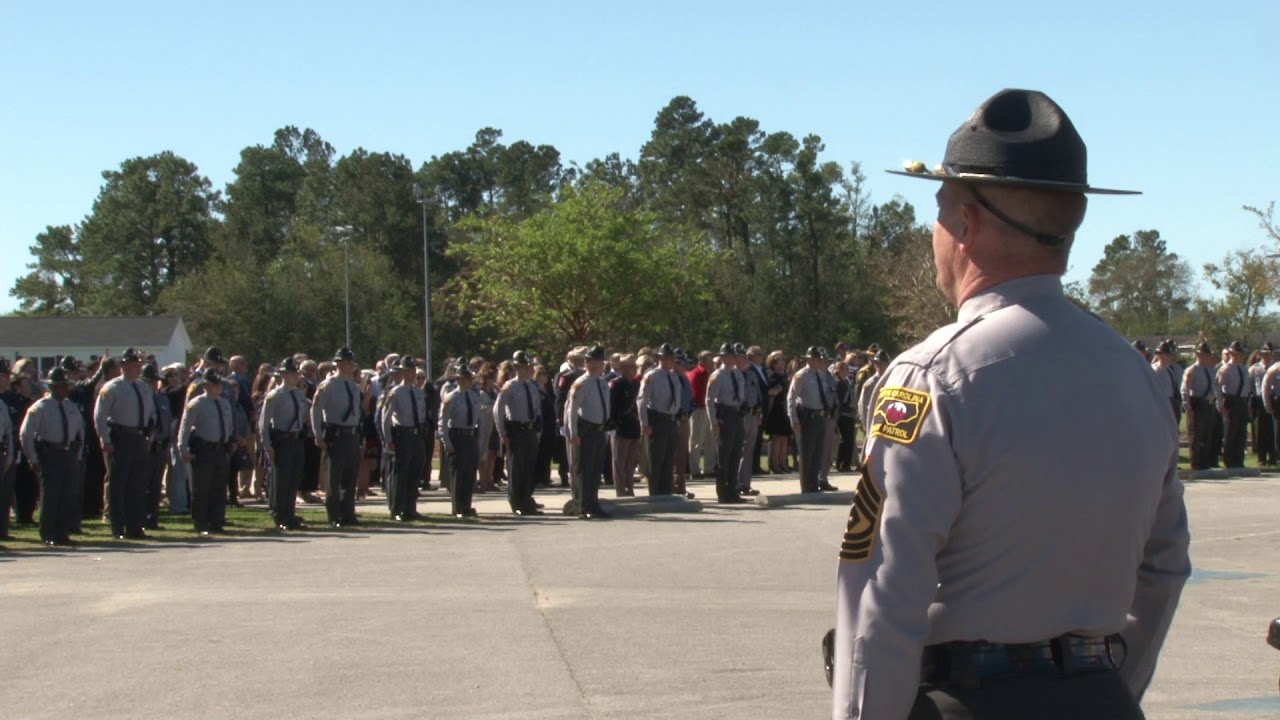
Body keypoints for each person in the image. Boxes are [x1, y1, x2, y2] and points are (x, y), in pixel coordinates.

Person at [831, 88, 1190, 719]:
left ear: (966, 224)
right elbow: (1163, 569)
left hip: (972, 700)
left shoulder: (930, 375)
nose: (935, 231)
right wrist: (1105, 685)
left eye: (940, 210)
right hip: (1102, 697)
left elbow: (881, 590)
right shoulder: (1136, 373)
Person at [94, 348, 158, 539]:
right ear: (123, 366)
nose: (137, 369)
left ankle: (136, 526)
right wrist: (105, 439)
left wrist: (149, 435)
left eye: (139, 365)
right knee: (118, 484)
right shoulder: (111, 388)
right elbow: (100, 416)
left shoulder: (144, 387)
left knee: (138, 485)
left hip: (139, 438)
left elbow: (152, 413)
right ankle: (118, 526)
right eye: (133, 365)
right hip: (120, 438)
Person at [21, 367, 85, 546]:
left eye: (67, 385)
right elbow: (26, 434)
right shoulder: (40, 407)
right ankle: (48, 532)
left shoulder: (70, 406)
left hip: (69, 453)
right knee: (51, 495)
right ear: (53, 387)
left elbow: (80, 430)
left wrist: (77, 454)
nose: (66, 389)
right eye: (62, 386)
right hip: (51, 454)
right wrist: (32, 458)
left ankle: (62, 531)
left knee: (68, 494)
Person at [309, 347, 364, 528]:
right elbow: (315, 410)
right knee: (334, 477)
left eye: (351, 363)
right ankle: (335, 515)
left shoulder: (354, 386)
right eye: (346, 363)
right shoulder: (329, 385)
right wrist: (317, 434)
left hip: (352, 434)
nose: (349, 366)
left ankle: (348, 512)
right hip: (336, 435)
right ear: (338, 364)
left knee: (350, 477)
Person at [179, 369, 234, 535]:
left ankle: (216, 521)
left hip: (220, 449)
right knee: (201, 488)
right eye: (215, 384)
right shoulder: (197, 403)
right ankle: (201, 522)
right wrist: (183, 447)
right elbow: (185, 427)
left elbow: (229, 425)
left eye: (220, 384)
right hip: (204, 449)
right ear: (207, 386)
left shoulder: (224, 403)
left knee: (219, 488)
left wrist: (230, 441)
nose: (219, 388)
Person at [259, 357, 310, 530]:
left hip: (296, 439)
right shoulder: (275, 395)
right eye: (293, 373)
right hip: (281, 440)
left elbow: (305, 414)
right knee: (281, 480)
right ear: (284, 375)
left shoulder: (298, 394)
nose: (296, 376)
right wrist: (267, 446)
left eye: (297, 373)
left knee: (293, 478)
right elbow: (263, 424)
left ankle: (290, 513)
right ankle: (280, 514)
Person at [381, 355, 430, 522]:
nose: (410, 373)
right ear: (401, 372)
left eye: (412, 370)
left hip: (417, 434)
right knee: (400, 474)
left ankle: (410, 508)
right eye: (407, 371)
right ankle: (397, 509)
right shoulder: (396, 392)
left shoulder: (418, 391)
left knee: (415, 473)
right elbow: (386, 418)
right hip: (403, 434)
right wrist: (388, 440)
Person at [494, 351, 543, 516]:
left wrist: (537, 427)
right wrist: (502, 432)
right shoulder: (510, 386)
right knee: (517, 469)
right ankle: (517, 503)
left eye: (527, 366)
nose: (525, 369)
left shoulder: (532, 386)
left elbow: (537, 408)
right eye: (521, 366)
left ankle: (526, 499)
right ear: (515, 367)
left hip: (530, 430)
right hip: (516, 430)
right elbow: (498, 409)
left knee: (529, 467)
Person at [565, 345, 611, 519]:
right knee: (584, 469)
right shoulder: (581, 383)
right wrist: (573, 431)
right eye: (591, 361)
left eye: (598, 361)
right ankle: (584, 506)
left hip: (600, 430)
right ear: (587, 363)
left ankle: (593, 503)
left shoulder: (602, 383)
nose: (596, 365)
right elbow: (572, 408)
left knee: (595, 469)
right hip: (587, 430)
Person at [788, 347, 837, 493]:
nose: (819, 362)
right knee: (807, 453)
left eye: (820, 359)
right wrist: (793, 418)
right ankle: (806, 485)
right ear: (809, 359)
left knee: (817, 452)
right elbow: (791, 397)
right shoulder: (801, 375)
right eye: (816, 359)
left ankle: (814, 483)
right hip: (807, 417)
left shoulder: (821, 375)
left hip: (820, 416)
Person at [438, 360, 481, 518]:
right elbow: (442, 422)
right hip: (458, 436)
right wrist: (446, 442)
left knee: (469, 474)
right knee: (459, 474)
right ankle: (458, 507)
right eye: (468, 378)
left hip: (471, 436)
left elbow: (480, 420)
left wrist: (480, 441)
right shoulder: (451, 397)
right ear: (461, 380)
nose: (471, 381)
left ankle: (467, 505)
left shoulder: (474, 396)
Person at [637, 343, 681, 496]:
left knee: (669, 458)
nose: (669, 361)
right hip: (657, 419)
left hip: (671, 420)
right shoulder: (651, 375)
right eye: (665, 358)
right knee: (656, 458)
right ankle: (655, 492)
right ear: (659, 358)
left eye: (671, 358)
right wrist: (645, 423)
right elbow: (642, 400)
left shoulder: (674, 376)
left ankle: (666, 491)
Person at [706, 343, 746, 504]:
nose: (732, 359)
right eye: (729, 356)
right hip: (725, 416)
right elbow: (709, 400)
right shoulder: (718, 375)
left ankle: (733, 490)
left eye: (734, 356)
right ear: (722, 357)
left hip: (737, 415)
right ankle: (723, 492)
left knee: (736, 454)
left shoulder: (738, 374)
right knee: (724, 456)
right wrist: (713, 422)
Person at [608, 354, 642, 497]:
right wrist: (613, 424)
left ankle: (630, 487)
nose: (634, 370)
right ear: (622, 368)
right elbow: (611, 406)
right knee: (619, 461)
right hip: (621, 426)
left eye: (635, 367)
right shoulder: (616, 384)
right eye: (631, 367)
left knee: (631, 461)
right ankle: (620, 490)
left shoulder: (636, 384)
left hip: (633, 425)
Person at [1183, 341, 1219, 471]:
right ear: (1198, 355)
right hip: (1197, 403)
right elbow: (1185, 390)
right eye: (1203, 354)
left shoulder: (1211, 370)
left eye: (1207, 354)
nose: (1206, 357)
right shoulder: (1192, 370)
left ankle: (1205, 462)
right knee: (1196, 435)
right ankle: (1196, 463)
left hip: (1209, 404)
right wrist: (1188, 408)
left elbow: (1215, 387)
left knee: (1207, 434)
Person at [1217, 340, 1250, 469]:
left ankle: (1239, 460)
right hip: (1231, 400)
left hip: (1242, 401)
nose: (1239, 356)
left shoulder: (1243, 368)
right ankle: (1229, 460)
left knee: (1241, 432)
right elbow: (1218, 387)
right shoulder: (1226, 368)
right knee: (1230, 432)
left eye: (1240, 354)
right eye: (1236, 353)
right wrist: (1220, 404)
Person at [762, 351, 793, 474]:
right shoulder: (772, 375)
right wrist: (778, 389)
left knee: (785, 438)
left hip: (784, 409)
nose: (783, 362)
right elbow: (769, 391)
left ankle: (783, 462)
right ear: (774, 363)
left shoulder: (784, 375)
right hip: (775, 409)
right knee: (776, 438)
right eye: (781, 360)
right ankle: (775, 464)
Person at [1253, 342, 1277, 466]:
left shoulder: (1275, 367)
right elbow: (1250, 384)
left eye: (1269, 353)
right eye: (1264, 353)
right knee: (1261, 429)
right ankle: (1261, 456)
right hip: (1259, 400)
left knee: (1273, 429)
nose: (1267, 356)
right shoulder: (1255, 368)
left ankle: (1273, 456)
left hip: (1273, 398)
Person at [0, 358, 15, 541]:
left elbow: (8, 434)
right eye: (2, 377)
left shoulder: (2, 405)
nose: (6, 381)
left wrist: (9, 457)